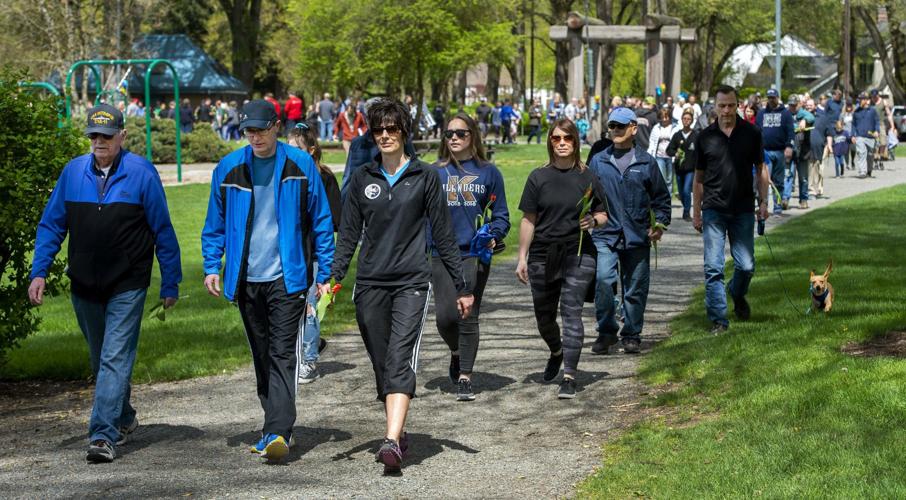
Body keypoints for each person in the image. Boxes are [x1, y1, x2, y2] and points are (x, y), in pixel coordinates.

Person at [28, 104, 182, 463]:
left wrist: (170, 282)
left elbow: (162, 230)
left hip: (128, 282)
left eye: (107, 135)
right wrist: (39, 271)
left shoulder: (142, 173)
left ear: (122, 136)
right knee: (103, 360)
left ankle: (102, 435)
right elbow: (52, 225)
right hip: (84, 283)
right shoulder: (72, 173)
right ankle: (124, 417)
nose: (99, 141)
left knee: (114, 358)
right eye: (94, 135)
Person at [330, 99, 474, 474]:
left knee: (398, 358)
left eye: (392, 128)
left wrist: (461, 286)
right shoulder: (363, 178)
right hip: (370, 283)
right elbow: (348, 235)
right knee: (383, 362)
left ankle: (391, 440)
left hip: (411, 282)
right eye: (378, 129)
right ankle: (399, 430)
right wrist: (333, 277)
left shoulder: (425, 177)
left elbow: (443, 234)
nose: (385, 135)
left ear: (404, 132)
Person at [201, 100, 335, 462]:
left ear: (277, 126)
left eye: (261, 129)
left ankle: (278, 430)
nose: (255, 137)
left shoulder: (300, 164)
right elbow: (214, 223)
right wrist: (212, 265)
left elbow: (321, 219)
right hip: (245, 278)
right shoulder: (229, 168)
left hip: (288, 277)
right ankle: (272, 424)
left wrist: (324, 271)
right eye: (249, 131)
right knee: (261, 354)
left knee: (282, 352)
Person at [515, 118, 609, 399]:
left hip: (578, 253)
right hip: (543, 254)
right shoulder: (538, 177)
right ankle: (556, 351)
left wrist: (593, 221)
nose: (562, 143)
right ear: (550, 142)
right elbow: (528, 220)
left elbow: (603, 214)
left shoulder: (588, 176)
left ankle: (569, 376)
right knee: (544, 318)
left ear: (576, 142)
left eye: (567, 138)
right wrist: (522, 257)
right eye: (556, 138)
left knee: (571, 312)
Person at [430, 113, 509, 401]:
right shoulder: (434, 172)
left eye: (460, 133)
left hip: (473, 253)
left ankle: (465, 376)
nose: (454, 137)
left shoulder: (489, 173)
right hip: (440, 252)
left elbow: (501, 215)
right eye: (449, 133)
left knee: (467, 314)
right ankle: (456, 352)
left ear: (472, 136)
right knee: (445, 318)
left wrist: (493, 234)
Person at [588, 107, 669, 356]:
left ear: (634, 129)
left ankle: (632, 334)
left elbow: (661, 198)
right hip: (605, 234)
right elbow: (586, 196)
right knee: (603, 280)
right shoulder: (598, 161)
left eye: (620, 126)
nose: (615, 130)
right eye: (612, 126)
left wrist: (659, 224)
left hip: (637, 234)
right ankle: (606, 331)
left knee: (635, 288)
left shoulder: (646, 162)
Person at [692, 86, 769, 334]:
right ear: (715, 107)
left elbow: (761, 169)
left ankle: (736, 292)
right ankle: (719, 320)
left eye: (731, 105)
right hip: (713, 209)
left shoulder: (752, 133)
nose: (726, 110)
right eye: (722, 105)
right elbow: (698, 178)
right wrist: (696, 212)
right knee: (713, 267)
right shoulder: (705, 137)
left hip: (743, 208)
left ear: (738, 105)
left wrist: (764, 202)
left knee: (746, 266)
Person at [286, 122, 341, 384]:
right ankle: (304, 349)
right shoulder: (284, 177)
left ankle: (308, 359)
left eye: (296, 148)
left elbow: (335, 220)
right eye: (288, 148)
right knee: (290, 309)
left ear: (310, 150)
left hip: (315, 255)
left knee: (310, 307)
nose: (290, 153)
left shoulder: (324, 178)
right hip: (289, 254)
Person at [755, 88, 795, 214]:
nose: (771, 100)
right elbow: (756, 131)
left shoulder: (785, 113)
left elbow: (790, 131)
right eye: (769, 98)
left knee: (778, 181)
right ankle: (763, 206)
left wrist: (789, 146)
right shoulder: (761, 113)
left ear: (777, 98)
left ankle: (777, 207)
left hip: (780, 151)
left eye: (773, 98)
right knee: (764, 180)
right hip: (765, 151)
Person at [666, 108, 699, 221]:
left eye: (689, 119)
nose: (686, 121)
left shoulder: (696, 135)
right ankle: (686, 206)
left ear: (692, 121)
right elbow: (669, 150)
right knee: (681, 192)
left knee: (686, 190)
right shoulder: (677, 135)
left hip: (691, 169)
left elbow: (700, 152)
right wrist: (675, 153)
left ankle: (686, 212)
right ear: (681, 120)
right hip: (679, 169)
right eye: (684, 118)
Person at [647, 108, 677, 198]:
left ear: (669, 117)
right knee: (662, 178)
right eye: (662, 117)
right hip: (659, 156)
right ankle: (662, 197)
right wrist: (650, 154)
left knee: (669, 179)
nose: (664, 119)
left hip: (671, 156)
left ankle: (668, 198)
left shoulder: (675, 127)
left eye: (666, 117)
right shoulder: (656, 127)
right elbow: (652, 142)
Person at [851, 92, 880, 179]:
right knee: (861, 153)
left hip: (870, 137)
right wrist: (852, 135)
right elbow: (853, 124)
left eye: (862, 99)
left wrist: (877, 131)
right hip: (860, 136)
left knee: (870, 155)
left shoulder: (873, 111)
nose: (860, 101)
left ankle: (869, 171)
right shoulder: (856, 112)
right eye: (860, 99)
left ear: (867, 100)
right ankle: (862, 172)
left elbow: (877, 122)